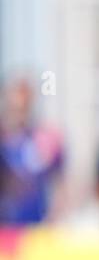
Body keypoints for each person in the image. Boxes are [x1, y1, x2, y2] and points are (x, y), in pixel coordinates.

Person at [0, 76, 63, 227]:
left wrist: (55, 215)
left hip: (36, 226)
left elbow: (61, 181)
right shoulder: (3, 140)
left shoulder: (46, 138)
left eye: (25, 104)